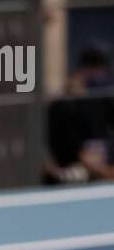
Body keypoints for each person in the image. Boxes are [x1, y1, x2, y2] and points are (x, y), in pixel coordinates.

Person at [44, 46, 114, 185]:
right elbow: (77, 155)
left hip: (103, 174)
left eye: (102, 71)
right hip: (75, 175)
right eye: (94, 70)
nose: (99, 76)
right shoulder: (64, 107)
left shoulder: (104, 101)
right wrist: (106, 173)